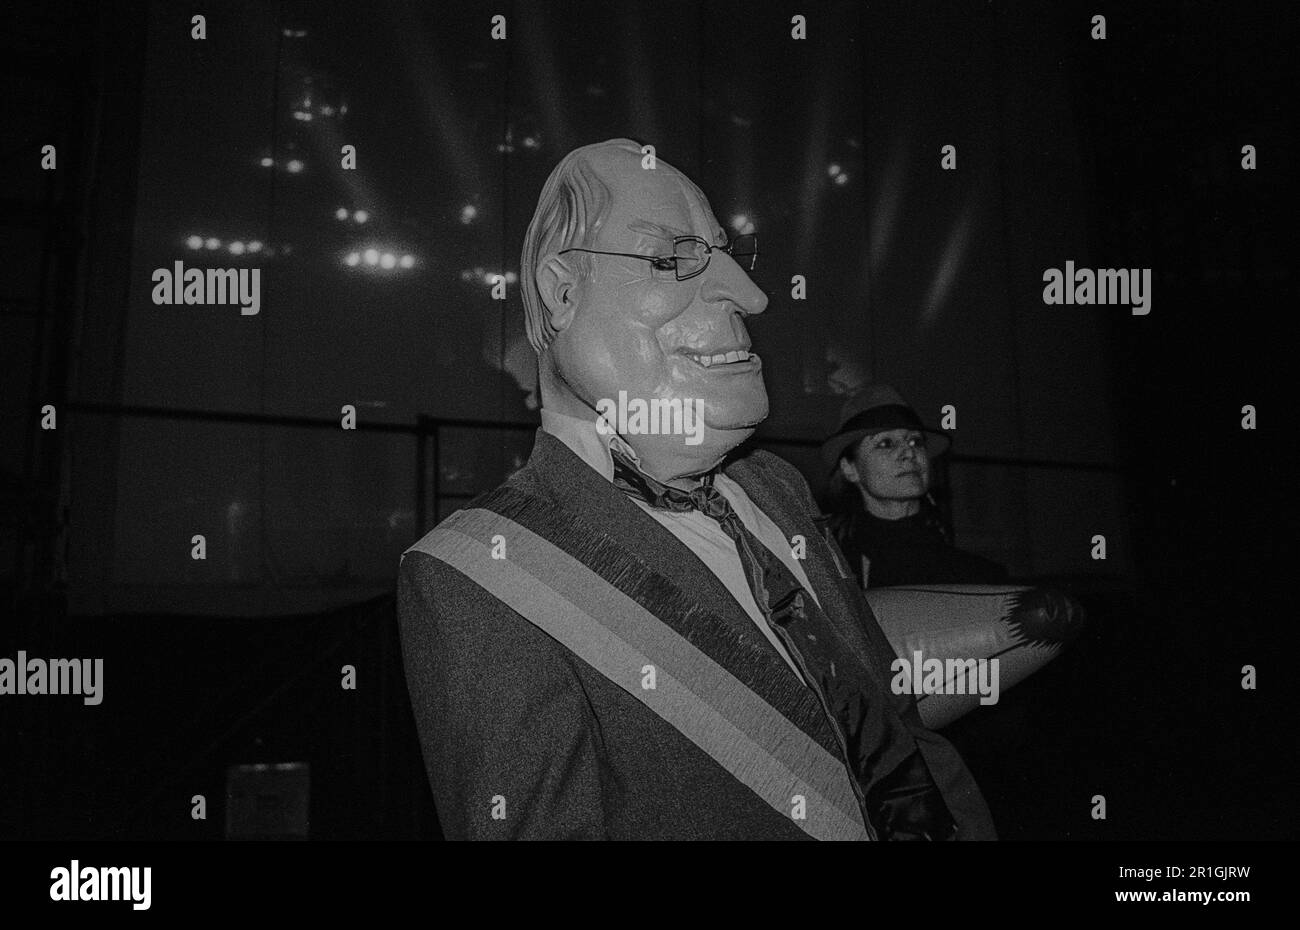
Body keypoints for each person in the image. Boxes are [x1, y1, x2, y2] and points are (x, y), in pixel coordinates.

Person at [396, 139, 995, 840]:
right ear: (562, 292)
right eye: (671, 258)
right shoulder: (478, 574)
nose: (751, 295)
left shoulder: (774, 488)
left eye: (725, 254)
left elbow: (892, 726)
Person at [821, 385, 1009, 588]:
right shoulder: (829, 577)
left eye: (915, 442)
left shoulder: (979, 579)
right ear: (850, 468)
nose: (909, 453)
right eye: (885, 443)